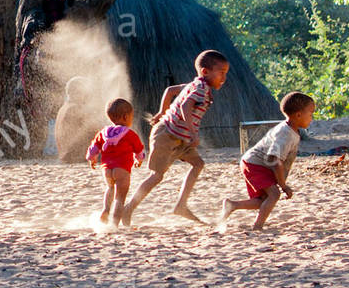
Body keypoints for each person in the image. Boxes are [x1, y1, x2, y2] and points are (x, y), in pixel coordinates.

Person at [122, 49, 230, 225]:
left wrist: (162, 111)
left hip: (181, 137)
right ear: (205, 72)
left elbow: (170, 90)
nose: (224, 78)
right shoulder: (200, 89)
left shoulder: (195, 85)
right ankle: (128, 209)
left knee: (198, 164)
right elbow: (185, 107)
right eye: (221, 73)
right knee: (156, 175)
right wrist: (193, 133)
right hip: (167, 135)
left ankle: (181, 205)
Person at [221, 92, 316, 231]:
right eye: (311, 113)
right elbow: (274, 159)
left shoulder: (291, 130)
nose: (312, 117)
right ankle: (257, 226)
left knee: (265, 200)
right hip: (255, 164)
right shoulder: (285, 134)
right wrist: (283, 185)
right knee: (274, 194)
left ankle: (232, 205)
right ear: (298, 115)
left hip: (257, 164)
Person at [87, 97, 147, 226]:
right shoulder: (129, 134)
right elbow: (139, 150)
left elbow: (94, 147)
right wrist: (139, 160)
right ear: (126, 117)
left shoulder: (103, 132)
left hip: (107, 169)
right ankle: (114, 223)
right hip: (122, 169)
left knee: (110, 188)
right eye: (131, 116)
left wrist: (92, 158)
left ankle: (106, 209)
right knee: (120, 198)